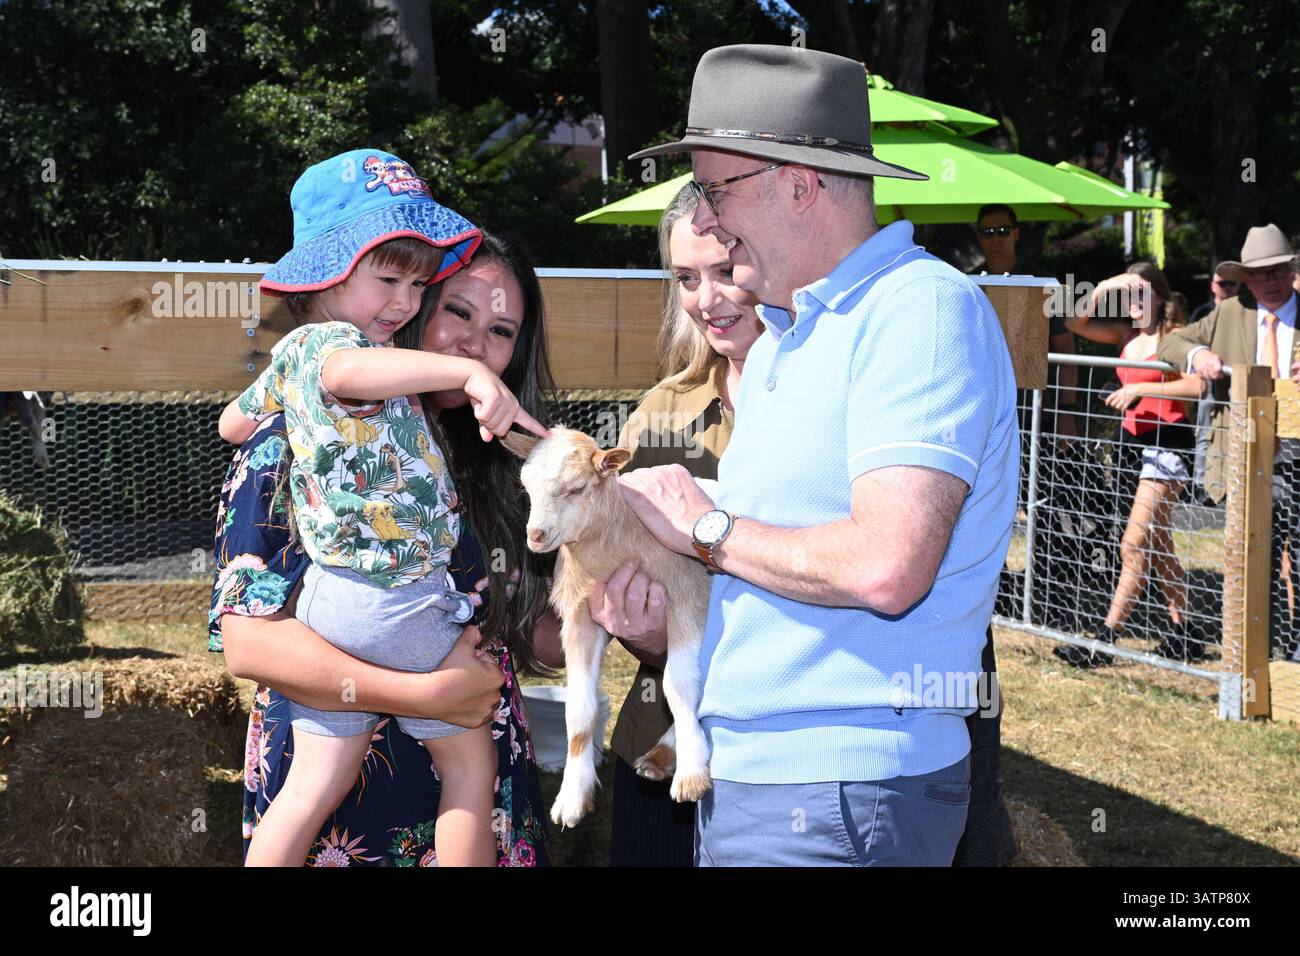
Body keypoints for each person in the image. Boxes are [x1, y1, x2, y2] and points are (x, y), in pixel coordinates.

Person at [622, 44, 1019, 867]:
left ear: (799, 183)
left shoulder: (919, 311)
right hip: (776, 783)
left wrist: (705, 528)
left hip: (841, 787)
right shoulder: (786, 340)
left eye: (715, 188)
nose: (703, 219)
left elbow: (885, 566)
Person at [214, 148, 548, 867]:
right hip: (373, 826)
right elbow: (245, 642)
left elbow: (232, 419)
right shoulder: (321, 397)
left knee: (313, 788)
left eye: (501, 332)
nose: (475, 346)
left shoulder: (448, 441)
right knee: (466, 769)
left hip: (408, 704)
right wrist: (433, 694)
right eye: (453, 308)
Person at [590, 183, 763, 867]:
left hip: (778, 752)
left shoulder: (830, 400)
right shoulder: (664, 409)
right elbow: (600, 551)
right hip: (657, 741)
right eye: (686, 278)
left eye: (724, 271)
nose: (706, 298)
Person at [1158, 224, 1300, 662]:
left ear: (1292, 270)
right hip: (1249, 454)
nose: (1271, 281)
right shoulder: (1231, 313)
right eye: (1261, 274)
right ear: (1245, 279)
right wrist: (1197, 355)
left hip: (1298, 450)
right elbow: (1171, 341)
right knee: (1253, 559)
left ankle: (1295, 654)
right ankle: (1257, 659)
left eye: (1279, 271)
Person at [1060, 263, 1202, 665]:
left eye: (1141, 293)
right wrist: (1106, 285)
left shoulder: (1176, 337)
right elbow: (1073, 321)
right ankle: (1186, 631)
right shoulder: (1125, 334)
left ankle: (1106, 640)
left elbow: (1197, 384)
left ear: (1160, 295)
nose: (1134, 302)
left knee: (1133, 543)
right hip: (1130, 448)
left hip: (1167, 446)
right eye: (1130, 295)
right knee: (1157, 545)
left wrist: (1140, 386)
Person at [1188, 263, 1240, 503]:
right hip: (1209, 381)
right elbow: (1187, 341)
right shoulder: (1204, 312)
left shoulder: (1244, 312)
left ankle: (1231, 485)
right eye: (1222, 283)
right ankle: (1201, 485)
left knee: (1238, 432)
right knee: (1205, 431)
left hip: (1237, 381)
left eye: (1232, 283)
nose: (1227, 288)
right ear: (1212, 286)